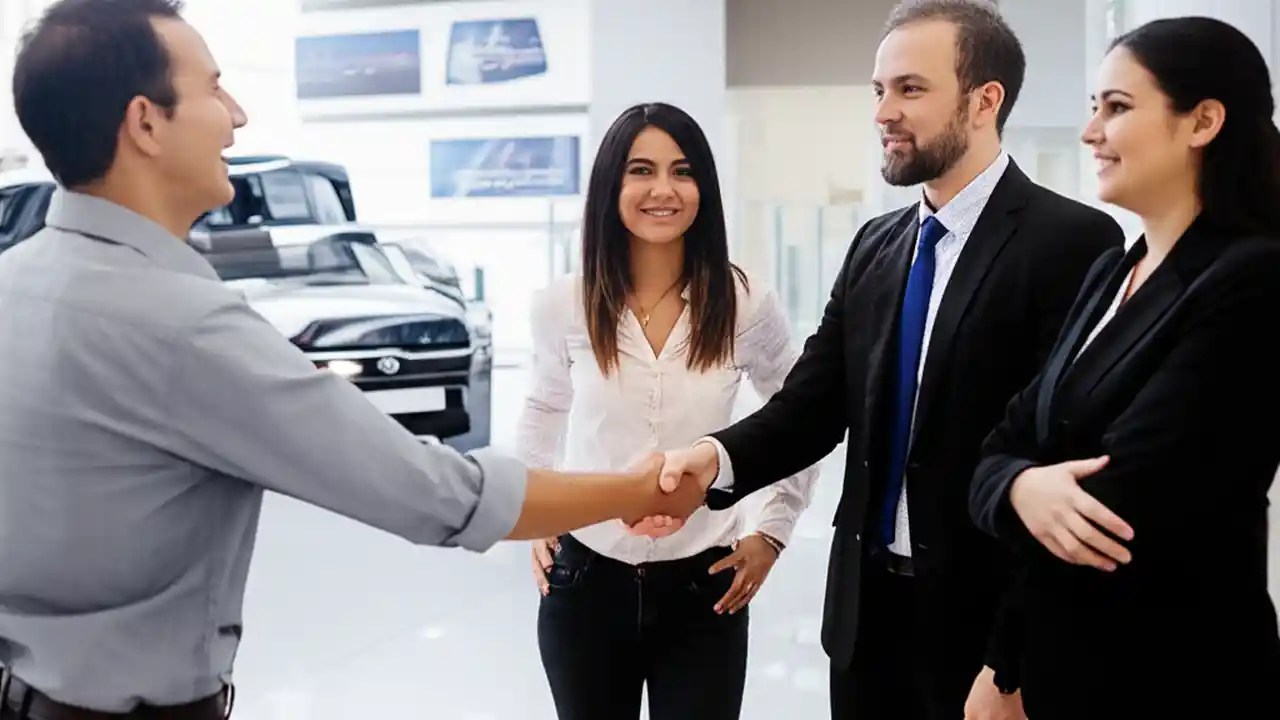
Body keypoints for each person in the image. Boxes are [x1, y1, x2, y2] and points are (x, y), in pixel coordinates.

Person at [0, 2, 704, 717]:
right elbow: (441, 493)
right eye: (215, 89)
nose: (236, 116)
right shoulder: (183, 325)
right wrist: (638, 488)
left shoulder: (13, 285)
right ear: (146, 122)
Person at [653, 1, 1125, 718]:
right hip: (866, 620)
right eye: (878, 90)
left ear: (983, 100)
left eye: (910, 89)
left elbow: (1062, 461)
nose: (883, 111)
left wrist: (1015, 660)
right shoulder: (877, 244)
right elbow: (813, 405)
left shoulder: (1073, 244)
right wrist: (714, 459)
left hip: (986, 630)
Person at [968, 16, 1280, 720]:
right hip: (1066, 664)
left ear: (1203, 121)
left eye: (1117, 107)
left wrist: (1014, 484)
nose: (1090, 133)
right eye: (1092, 109)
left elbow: (1117, 507)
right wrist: (1018, 489)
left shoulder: (1254, 281)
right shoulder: (1113, 271)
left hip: (1174, 672)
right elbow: (1002, 446)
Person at [516, 102, 818, 720]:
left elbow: (799, 416)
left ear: (703, 186)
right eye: (640, 171)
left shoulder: (744, 302)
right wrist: (535, 514)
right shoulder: (562, 305)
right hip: (585, 581)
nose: (663, 189)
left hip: (706, 587)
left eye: (682, 171)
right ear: (611, 187)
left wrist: (771, 532)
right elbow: (542, 411)